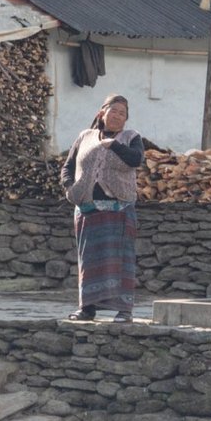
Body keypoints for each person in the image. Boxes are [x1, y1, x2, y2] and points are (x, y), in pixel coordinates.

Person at [61, 94, 143, 322]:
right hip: (88, 211)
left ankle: (124, 310)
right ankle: (87, 308)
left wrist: (114, 146)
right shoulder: (85, 137)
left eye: (122, 114)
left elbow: (136, 160)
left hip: (119, 211)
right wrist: (70, 188)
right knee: (88, 262)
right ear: (102, 113)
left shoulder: (131, 137)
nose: (117, 116)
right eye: (114, 111)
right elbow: (68, 166)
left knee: (121, 262)